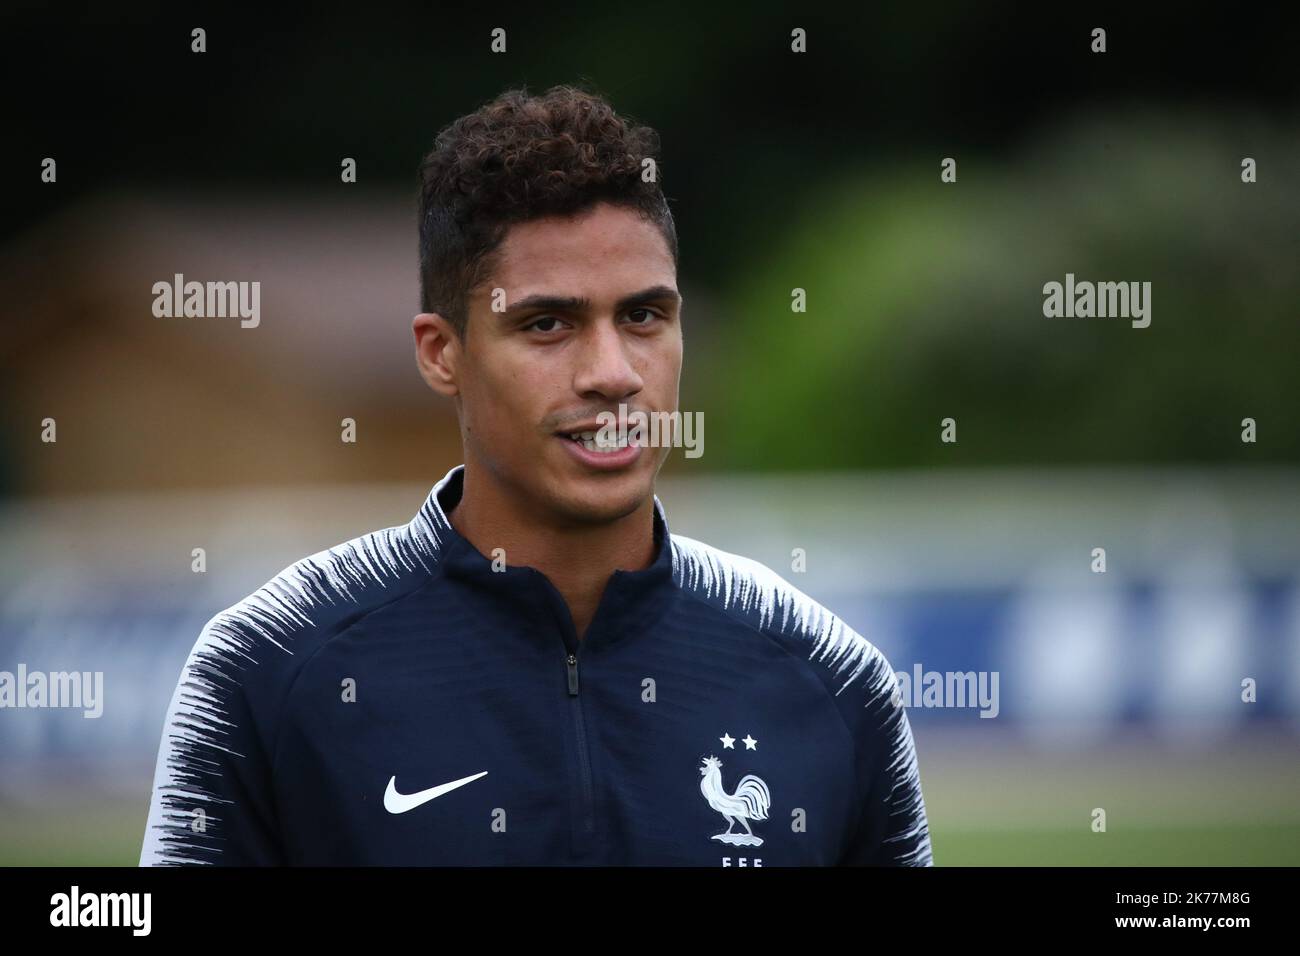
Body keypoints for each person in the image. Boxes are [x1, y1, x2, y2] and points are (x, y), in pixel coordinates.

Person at [139, 84, 932, 866]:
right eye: (548, 324)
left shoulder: (834, 680)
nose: (614, 373)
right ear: (440, 353)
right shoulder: (266, 668)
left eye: (644, 316)